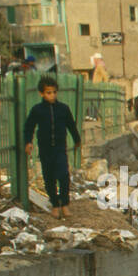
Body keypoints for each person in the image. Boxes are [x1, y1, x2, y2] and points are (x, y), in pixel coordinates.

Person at [23, 75, 81, 220]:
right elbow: (29, 127)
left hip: (60, 148)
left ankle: (65, 204)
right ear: (41, 94)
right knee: (49, 178)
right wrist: (28, 142)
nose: (52, 95)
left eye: (54, 92)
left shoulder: (63, 109)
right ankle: (55, 205)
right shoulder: (37, 110)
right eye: (49, 93)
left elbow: (71, 125)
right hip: (45, 149)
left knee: (63, 175)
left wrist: (77, 139)